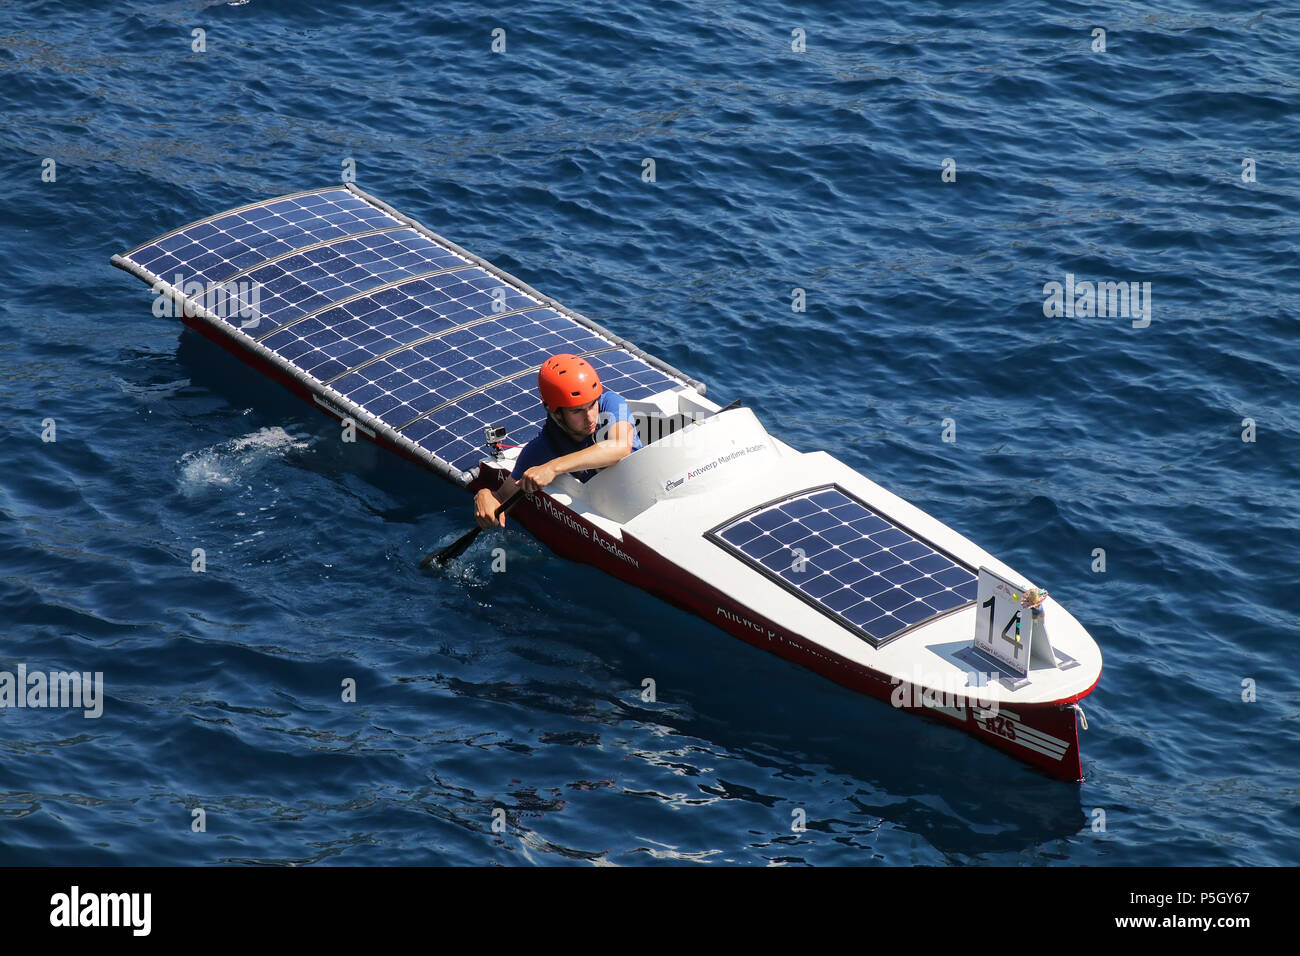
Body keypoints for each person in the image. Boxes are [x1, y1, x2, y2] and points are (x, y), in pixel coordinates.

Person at [474, 353, 641, 529]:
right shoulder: (542, 449)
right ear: (557, 413)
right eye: (577, 411)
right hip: (620, 512)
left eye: (592, 404)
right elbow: (502, 497)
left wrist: (552, 467)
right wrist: (484, 494)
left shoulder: (612, 403)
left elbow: (620, 446)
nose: (590, 417)